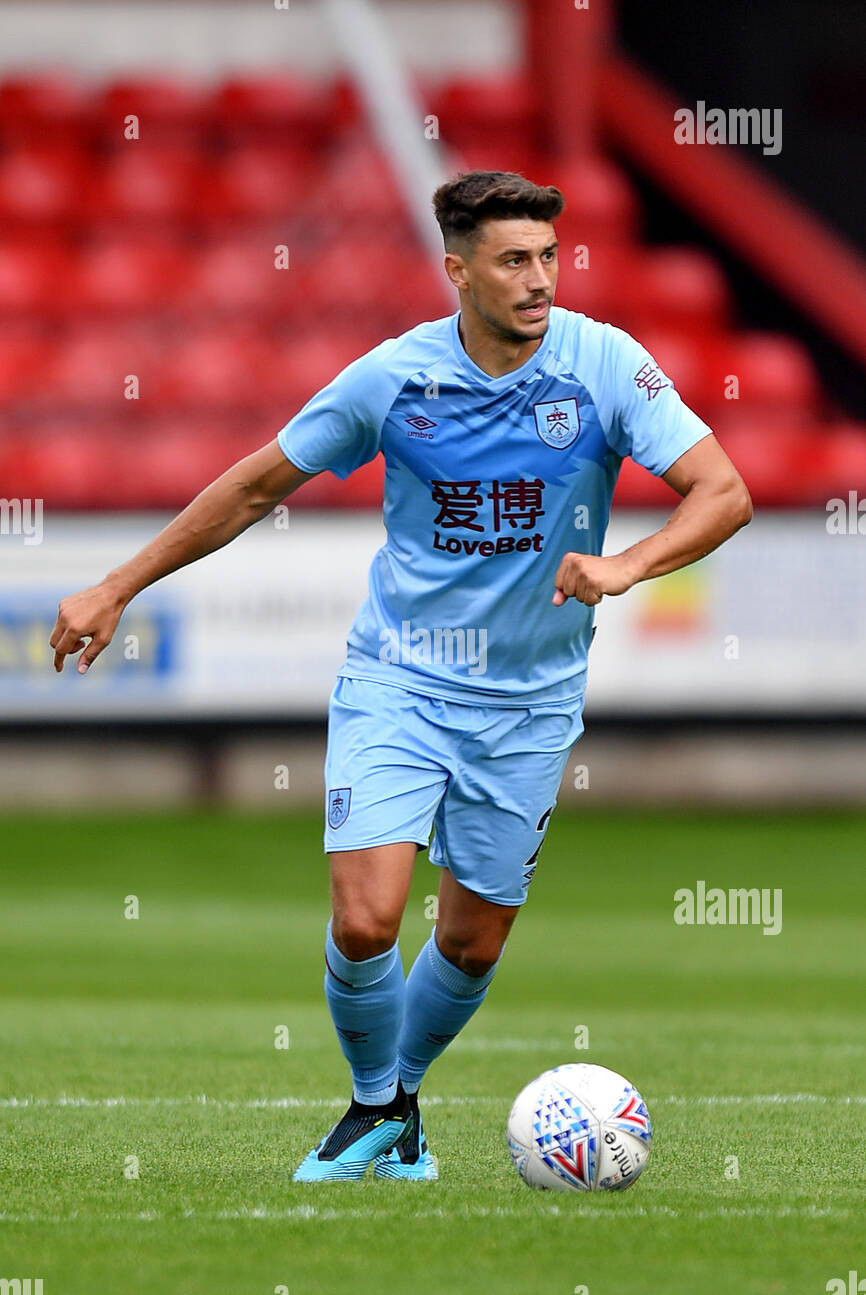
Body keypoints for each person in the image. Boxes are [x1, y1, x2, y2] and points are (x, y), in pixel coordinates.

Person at [50, 170, 752, 1182]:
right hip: (400, 680)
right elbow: (255, 486)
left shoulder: (604, 366)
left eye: (550, 256)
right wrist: (118, 585)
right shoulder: (389, 380)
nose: (539, 279)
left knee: (468, 944)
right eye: (514, 260)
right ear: (456, 269)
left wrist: (624, 564)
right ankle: (372, 1111)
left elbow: (720, 492)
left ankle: (399, 1104)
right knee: (366, 916)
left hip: (529, 702)